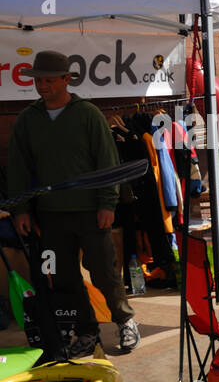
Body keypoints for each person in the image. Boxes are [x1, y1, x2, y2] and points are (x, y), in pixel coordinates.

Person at [7, 51, 138, 355]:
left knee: (104, 271)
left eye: (49, 80)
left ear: (67, 79)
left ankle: (124, 319)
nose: (42, 86)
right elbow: (18, 168)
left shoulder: (88, 115)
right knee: (62, 277)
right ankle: (86, 330)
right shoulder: (27, 120)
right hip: (49, 215)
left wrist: (107, 203)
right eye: (38, 81)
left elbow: (107, 161)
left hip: (91, 212)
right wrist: (21, 209)